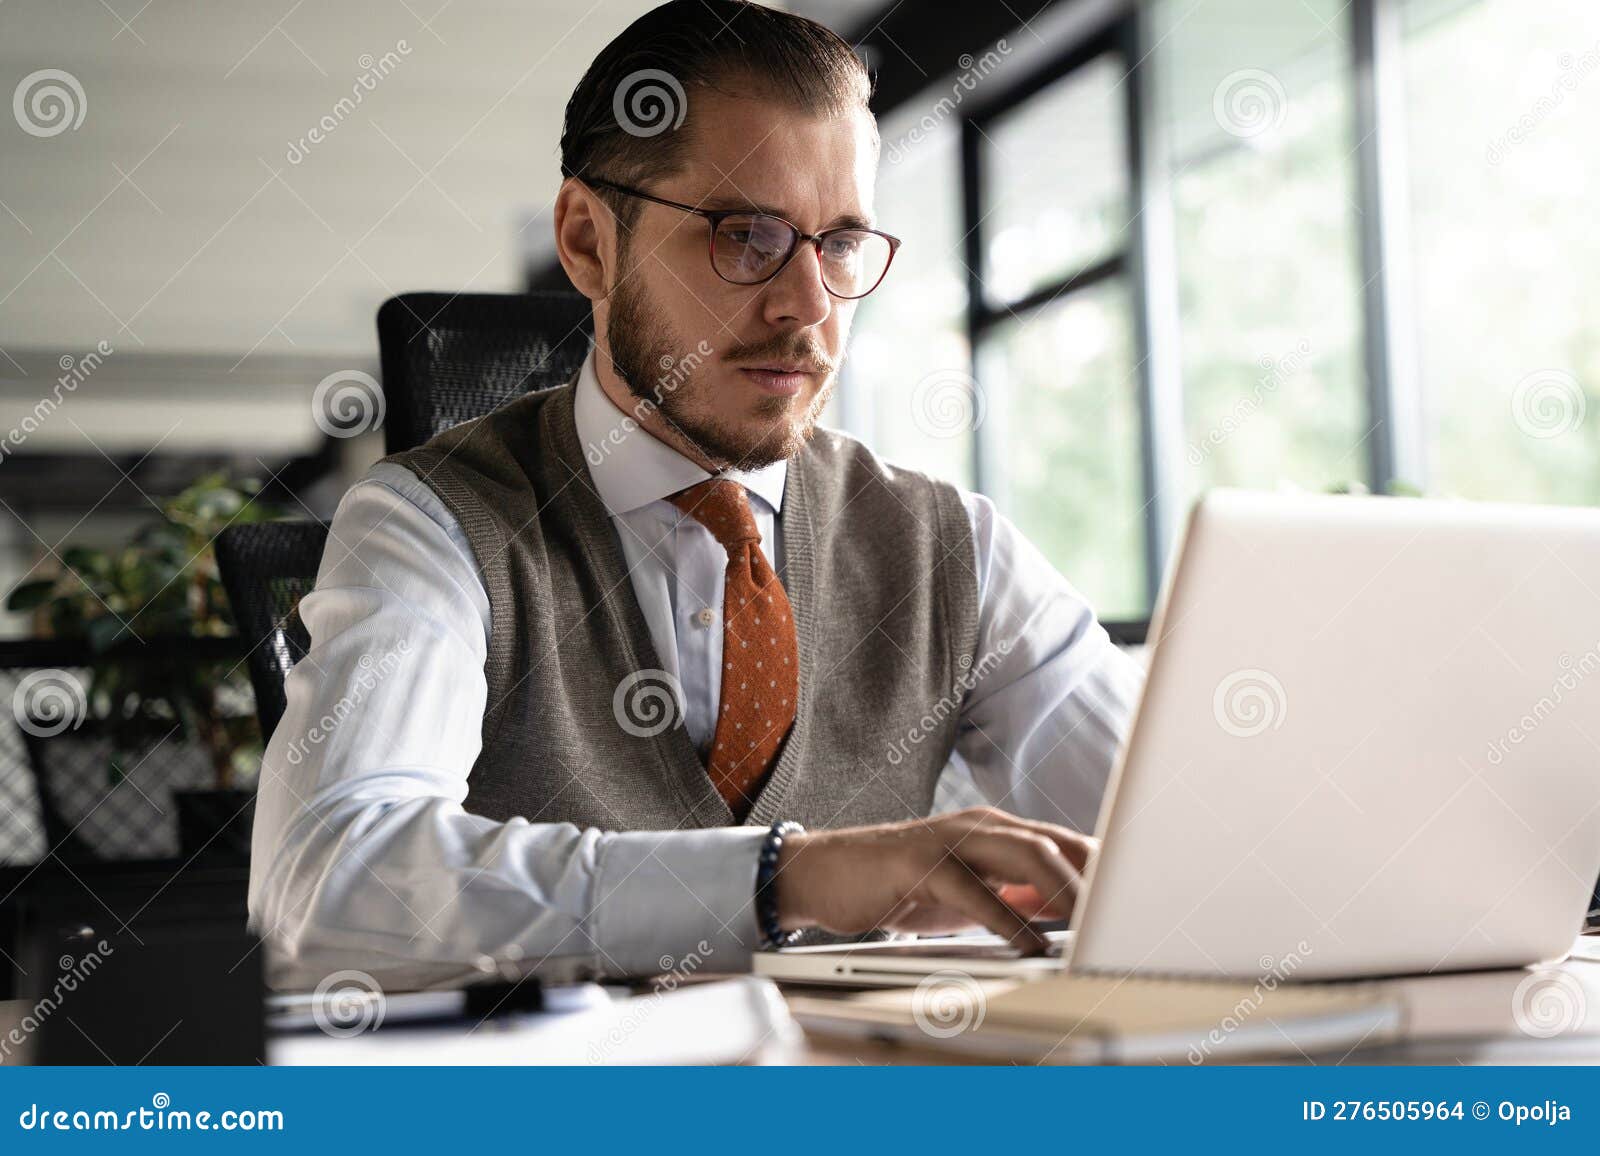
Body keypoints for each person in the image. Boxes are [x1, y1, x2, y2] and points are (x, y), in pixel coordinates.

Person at [247, 0, 1145, 989]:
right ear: (587, 242)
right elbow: (328, 883)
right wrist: (782, 878)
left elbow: (1183, 840)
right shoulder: (432, 524)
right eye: (746, 236)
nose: (809, 304)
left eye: (840, 242)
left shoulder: (953, 547)